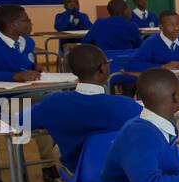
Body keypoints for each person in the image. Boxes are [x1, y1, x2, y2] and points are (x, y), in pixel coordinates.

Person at [29, 44, 140, 174]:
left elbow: (21, 122)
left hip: (78, 172)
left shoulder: (52, 102)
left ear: (74, 72)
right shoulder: (126, 104)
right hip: (120, 171)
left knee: (57, 150)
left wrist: (47, 120)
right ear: (103, 69)